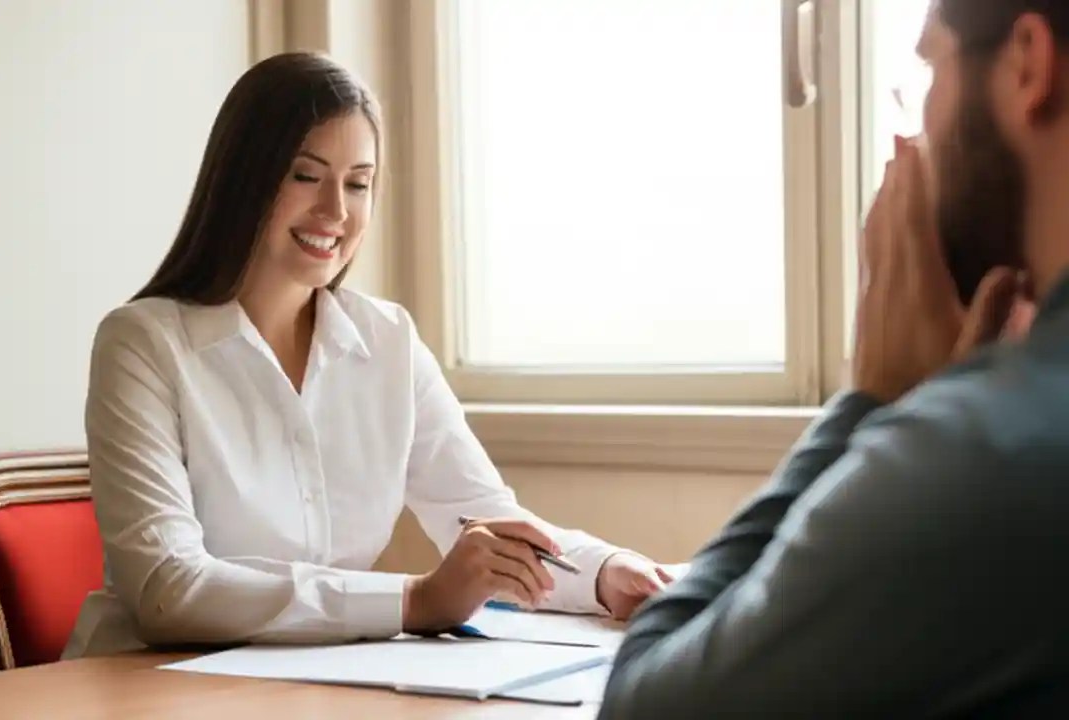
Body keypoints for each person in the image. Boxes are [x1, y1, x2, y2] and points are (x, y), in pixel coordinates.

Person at [62, 52, 672, 659]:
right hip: (151, 686)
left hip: (314, 682)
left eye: (358, 183)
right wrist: (414, 601)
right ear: (244, 177)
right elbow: (169, 589)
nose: (336, 211)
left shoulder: (387, 341)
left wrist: (605, 573)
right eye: (306, 176)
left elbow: (484, 521)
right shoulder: (142, 344)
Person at [600, 1, 1069, 716]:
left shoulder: (982, 455)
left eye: (930, 66)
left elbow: (645, 705)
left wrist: (873, 400)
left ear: (1028, 64)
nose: (921, 124)